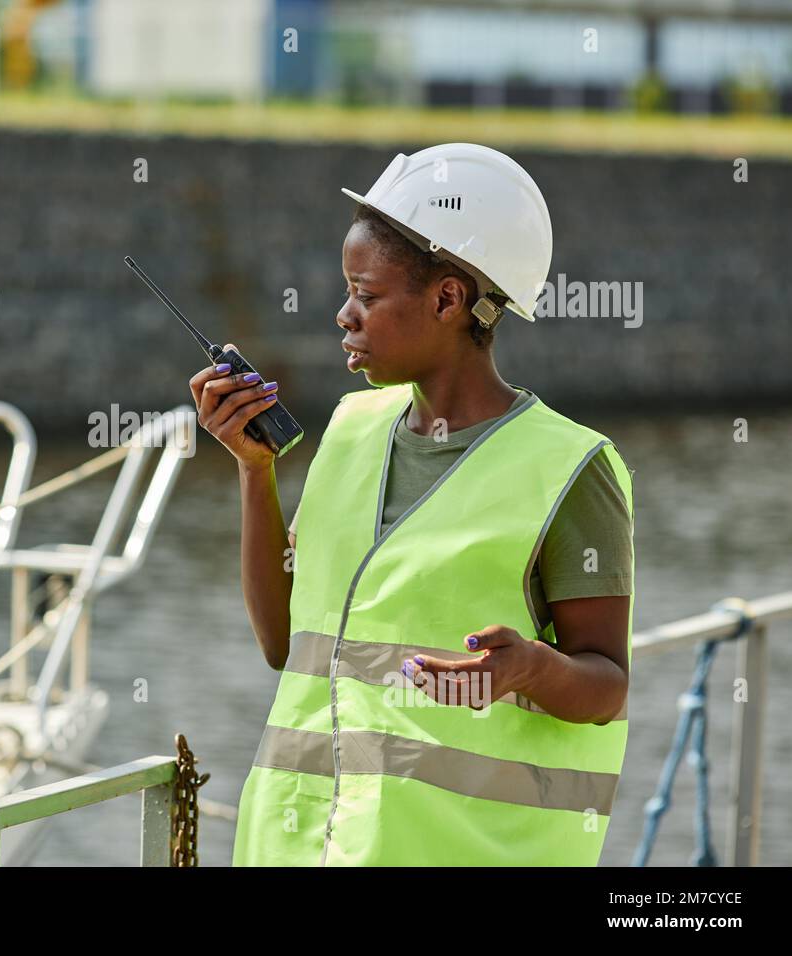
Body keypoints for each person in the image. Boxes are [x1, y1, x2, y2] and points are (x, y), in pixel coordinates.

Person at [189, 143, 635, 866]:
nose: (344, 315)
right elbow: (284, 646)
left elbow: (607, 686)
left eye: (366, 294)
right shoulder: (352, 427)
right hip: (292, 848)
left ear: (448, 299)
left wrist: (528, 668)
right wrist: (254, 472)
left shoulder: (571, 468)